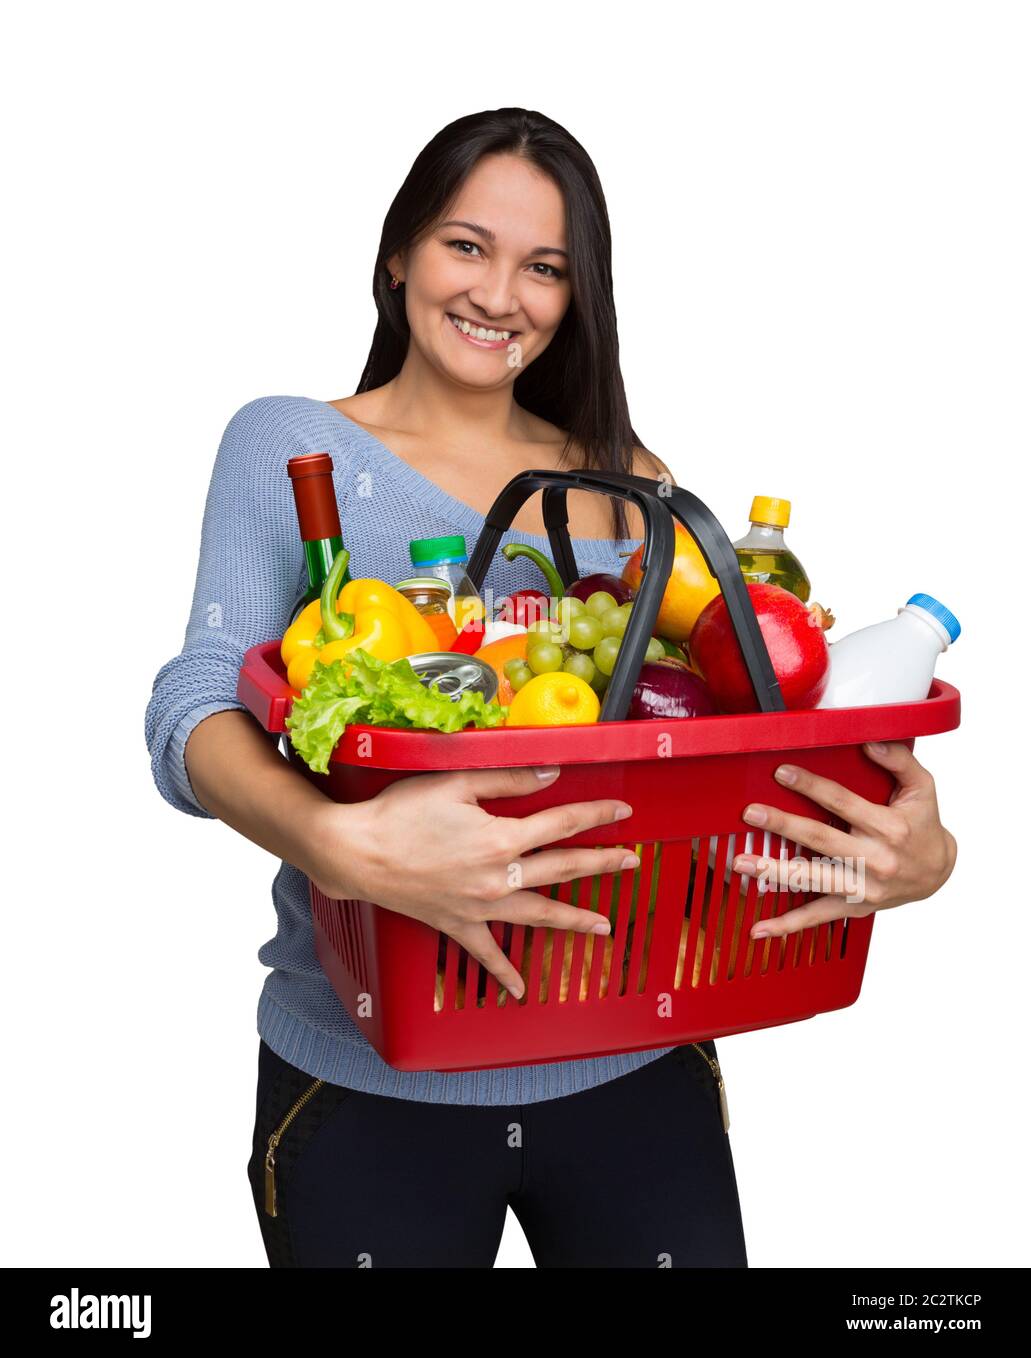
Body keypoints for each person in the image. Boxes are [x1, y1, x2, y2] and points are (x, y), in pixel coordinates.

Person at [144, 108, 957, 1269]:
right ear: (397, 256)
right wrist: (337, 846)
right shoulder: (291, 446)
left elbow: (716, 765)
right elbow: (193, 706)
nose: (498, 294)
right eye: (464, 246)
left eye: (544, 267)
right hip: (368, 1071)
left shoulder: (626, 485)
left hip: (636, 1053)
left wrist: (902, 856)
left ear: (576, 298)